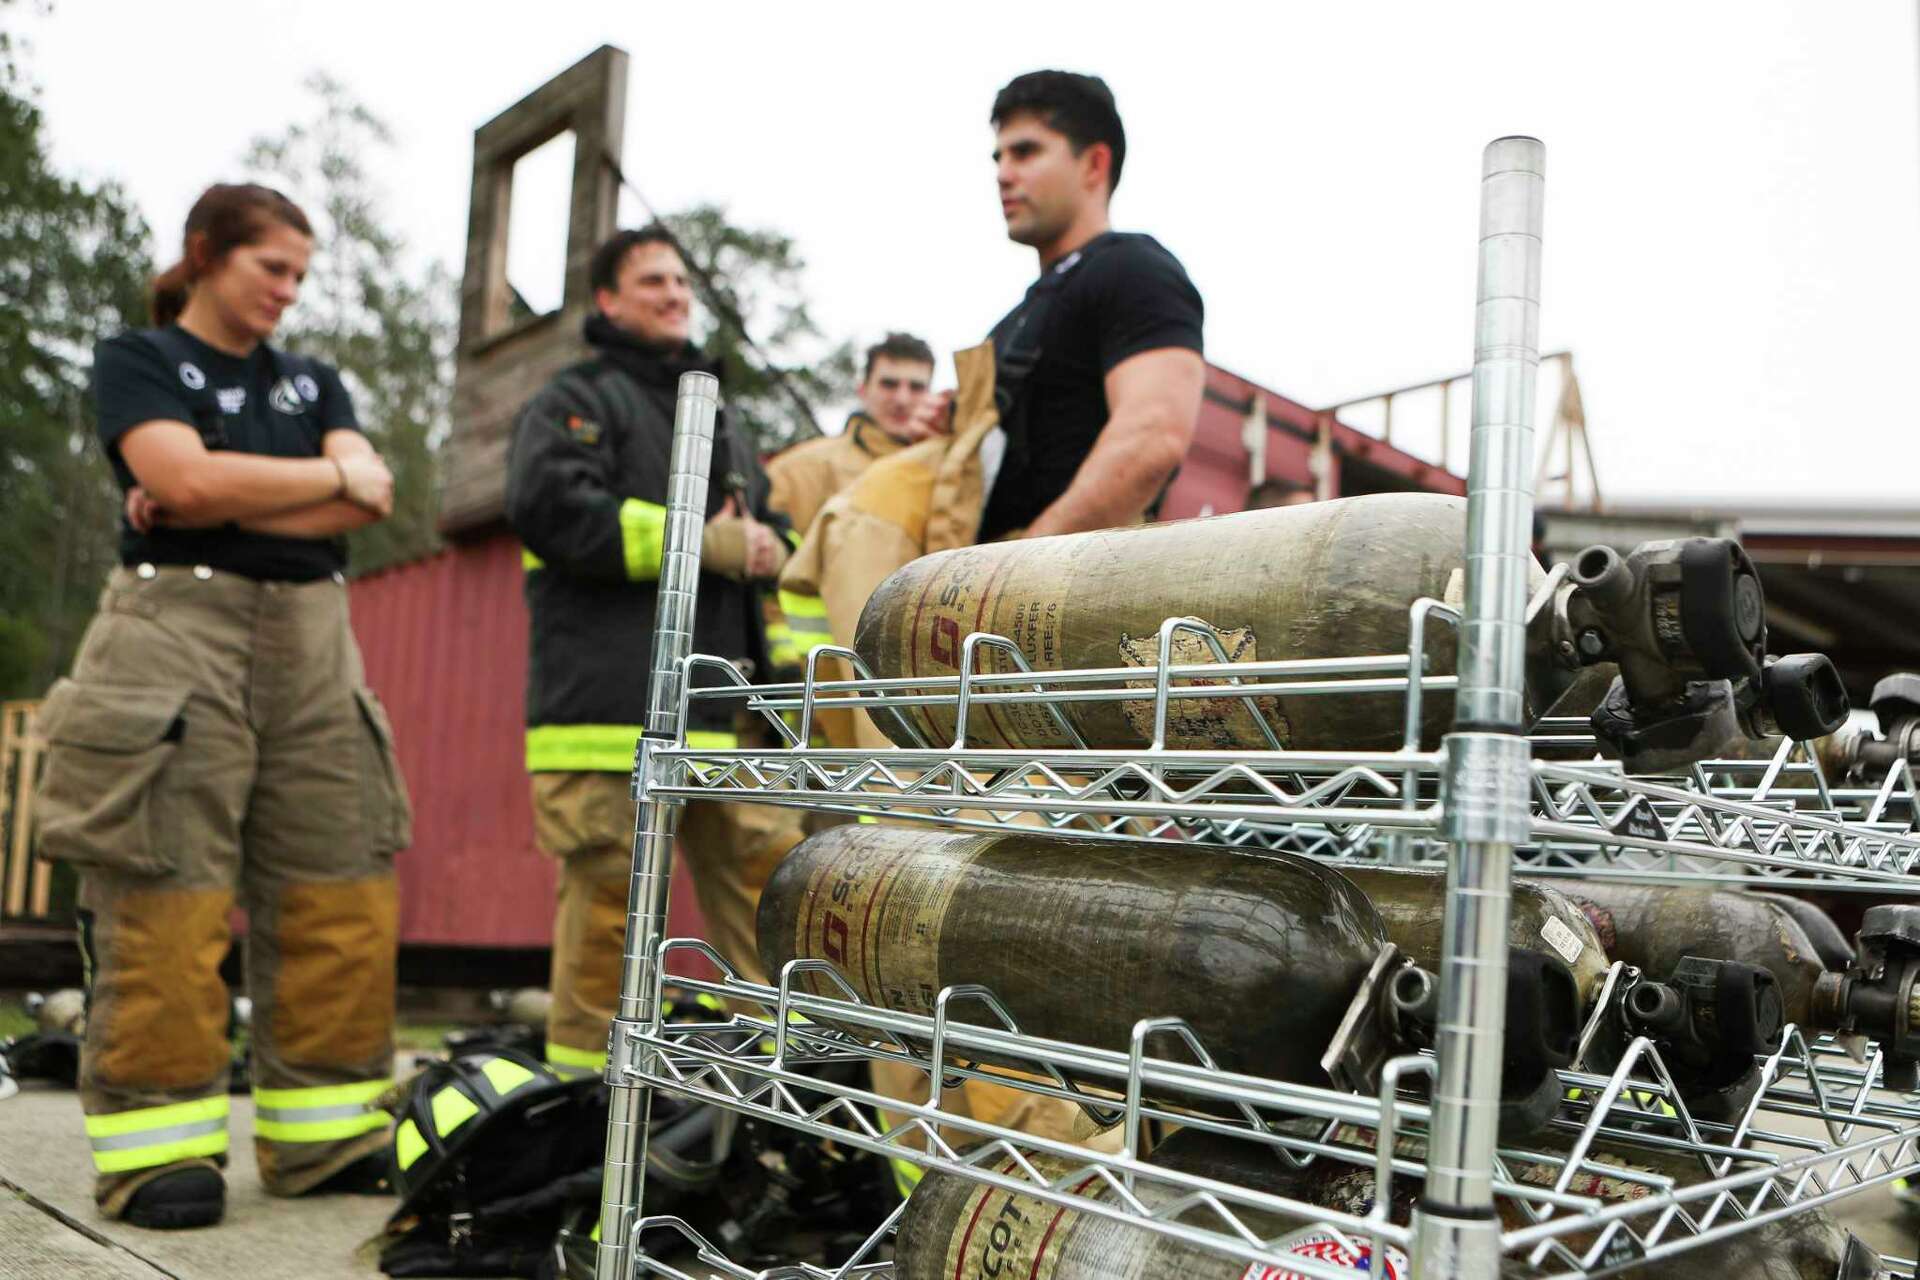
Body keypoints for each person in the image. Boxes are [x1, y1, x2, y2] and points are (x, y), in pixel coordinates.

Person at [34, 183, 411, 1230]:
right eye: (269, 267)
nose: (286, 291)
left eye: (299, 273)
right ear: (204, 254)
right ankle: (157, 1148)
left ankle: (328, 1133)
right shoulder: (139, 358)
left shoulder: (314, 379)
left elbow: (367, 498)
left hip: (313, 636)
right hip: (172, 630)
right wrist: (310, 473)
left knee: (340, 874)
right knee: (165, 878)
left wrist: (221, 479)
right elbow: (187, 489)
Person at [781, 68, 1207, 731]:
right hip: (998, 625)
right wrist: (949, 430)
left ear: (1095, 161)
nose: (1003, 173)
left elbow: (1152, 436)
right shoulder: (1016, 320)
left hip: (1055, 624)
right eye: (998, 157)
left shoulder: (1133, 270)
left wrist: (1019, 569)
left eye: (1027, 151)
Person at [504, 226, 806, 1077]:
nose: (675, 293)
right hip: (608, 721)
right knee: (610, 918)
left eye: (681, 280)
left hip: (724, 717)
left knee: (766, 902)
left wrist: (771, 547)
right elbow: (554, 510)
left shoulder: (721, 418)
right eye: (652, 281)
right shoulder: (577, 401)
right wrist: (697, 543)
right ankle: (585, 1107)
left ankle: (771, 1103)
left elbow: (769, 534)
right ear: (607, 300)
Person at [763, 333, 936, 734]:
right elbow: (767, 576)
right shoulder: (802, 470)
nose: (902, 398)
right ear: (863, 389)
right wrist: (788, 675)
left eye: (916, 386)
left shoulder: (948, 475)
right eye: (889, 383)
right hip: (824, 692)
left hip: (927, 683)